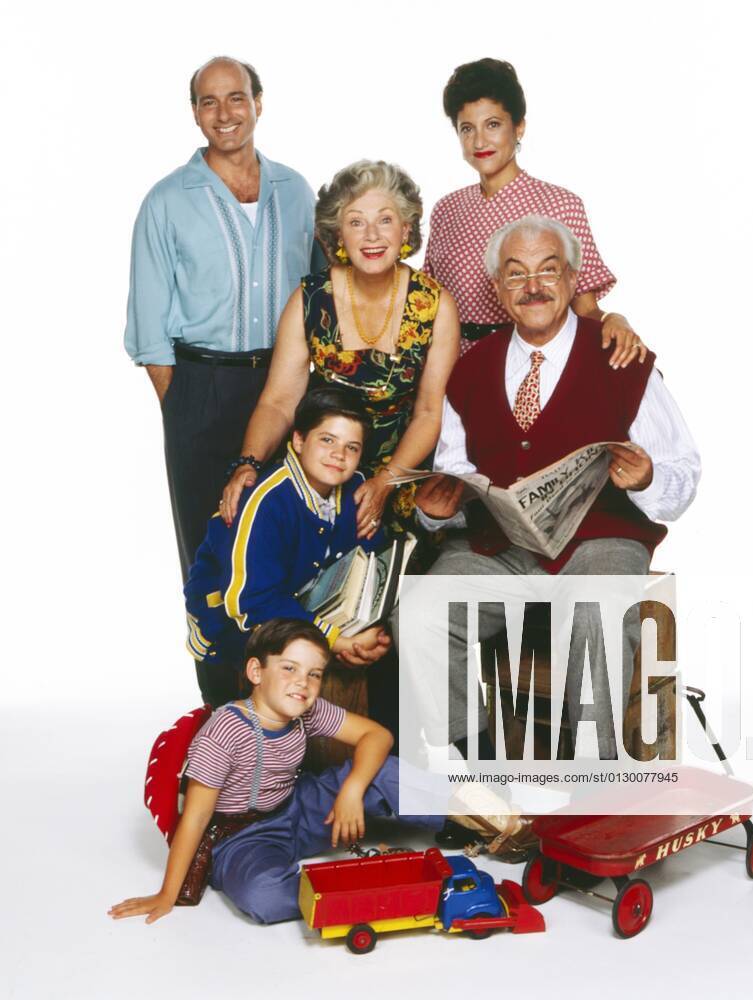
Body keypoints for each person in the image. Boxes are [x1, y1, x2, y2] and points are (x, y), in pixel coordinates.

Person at [405, 215, 701, 760]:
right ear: (497, 289)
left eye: (548, 270)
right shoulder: (471, 370)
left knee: (595, 609)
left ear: (570, 278)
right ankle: (480, 768)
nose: (533, 287)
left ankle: (596, 779)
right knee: (421, 610)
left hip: (601, 543)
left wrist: (648, 477)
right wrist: (436, 512)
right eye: (515, 275)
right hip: (504, 549)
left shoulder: (621, 356)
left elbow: (684, 473)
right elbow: (453, 468)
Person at [124, 56, 324, 588]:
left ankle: (285, 669)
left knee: (290, 545)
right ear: (194, 114)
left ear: (258, 103)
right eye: (208, 101)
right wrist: (186, 406)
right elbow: (148, 332)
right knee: (211, 547)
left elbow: (324, 298)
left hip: (287, 385)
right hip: (201, 386)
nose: (224, 112)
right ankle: (219, 674)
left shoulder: (298, 191)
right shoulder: (166, 202)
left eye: (235, 97)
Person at [108, 618, 444, 925]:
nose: (303, 683)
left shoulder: (304, 709)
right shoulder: (223, 732)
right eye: (289, 668)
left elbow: (378, 736)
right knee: (263, 896)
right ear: (256, 672)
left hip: (296, 807)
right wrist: (167, 894)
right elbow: (195, 817)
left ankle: (476, 820)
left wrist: (352, 791)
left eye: (314, 674)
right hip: (243, 836)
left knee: (384, 771)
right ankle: (364, 886)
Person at [219, 160, 460, 539]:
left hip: (398, 468)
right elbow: (279, 401)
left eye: (385, 219)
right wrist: (248, 462)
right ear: (338, 235)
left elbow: (430, 413)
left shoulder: (436, 305)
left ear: (406, 228)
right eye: (356, 222)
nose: (371, 235)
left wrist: (384, 483)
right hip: (318, 464)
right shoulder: (310, 298)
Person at [424, 58, 645, 363]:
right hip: (454, 366)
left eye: (493, 124)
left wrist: (614, 319)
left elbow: (585, 309)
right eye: (466, 129)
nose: (479, 141)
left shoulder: (561, 205)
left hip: (532, 364)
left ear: (519, 127)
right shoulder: (447, 210)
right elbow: (429, 306)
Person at [185, 386, 392, 707]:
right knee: (277, 691)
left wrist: (371, 634)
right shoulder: (267, 502)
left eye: (352, 447)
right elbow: (251, 603)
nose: (339, 454)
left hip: (297, 600)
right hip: (235, 621)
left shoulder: (355, 489)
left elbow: (370, 561)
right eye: (327, 440)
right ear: (298, 441)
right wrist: (336, 639)